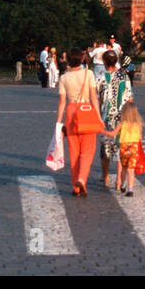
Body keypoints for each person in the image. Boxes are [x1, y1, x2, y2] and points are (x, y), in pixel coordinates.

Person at [56, 48, 102, 197]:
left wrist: (58, 123)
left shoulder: (64, 78)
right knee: (87, 151)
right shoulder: (88, 74)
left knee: (74, 152)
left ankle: (75, 187)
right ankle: (82, 179)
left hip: (71, 112)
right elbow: (94, 97)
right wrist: (99, 117)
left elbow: (62, 102)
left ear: (68, 61)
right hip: (86, 111)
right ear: (82, 59)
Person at [97, 51, 133, 189]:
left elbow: (97, 96)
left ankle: (105, 176)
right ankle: (118, 180)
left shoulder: (100, 76)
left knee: (105, 148)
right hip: (121, 117)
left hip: (106, 117)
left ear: (105, 62)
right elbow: (129, 98)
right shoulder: (124, 76)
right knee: (119, 148)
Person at [104, 101, 144, 197]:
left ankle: (123, 184)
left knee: (124, 169)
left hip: (124, 149)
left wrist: (102, 131)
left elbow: (113, 134)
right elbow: (140, 137)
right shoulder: (138, 124)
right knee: (131, 170)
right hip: (134, 148)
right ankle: (130, 189)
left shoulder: (121, 123)